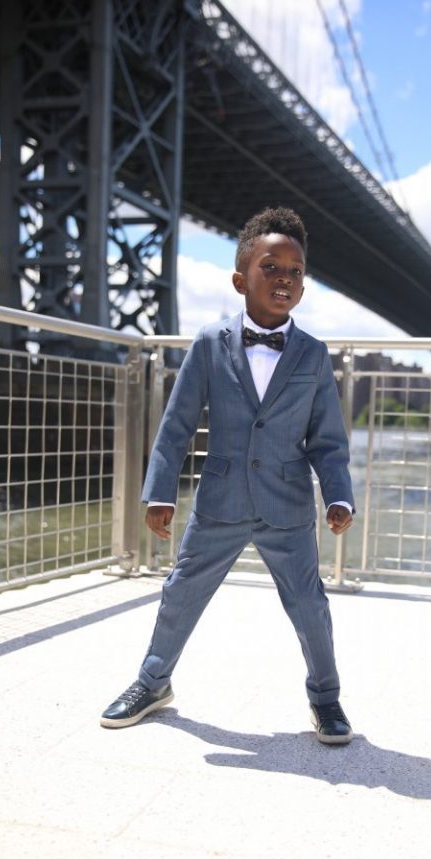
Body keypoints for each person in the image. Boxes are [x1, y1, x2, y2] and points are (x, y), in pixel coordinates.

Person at [101, 207, 355, 744]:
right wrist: (160, 493)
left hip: (287, 506)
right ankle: (152, 682)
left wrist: (339, 497)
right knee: (180, 593)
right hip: (218, 500)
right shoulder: (208, 343)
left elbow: (327, 441)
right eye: (271, 267)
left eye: (295, 270)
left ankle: (326, 697)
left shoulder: (312, 354)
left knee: (309, 604)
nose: (284, 278)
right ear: (241, 279)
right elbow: (176, 426)